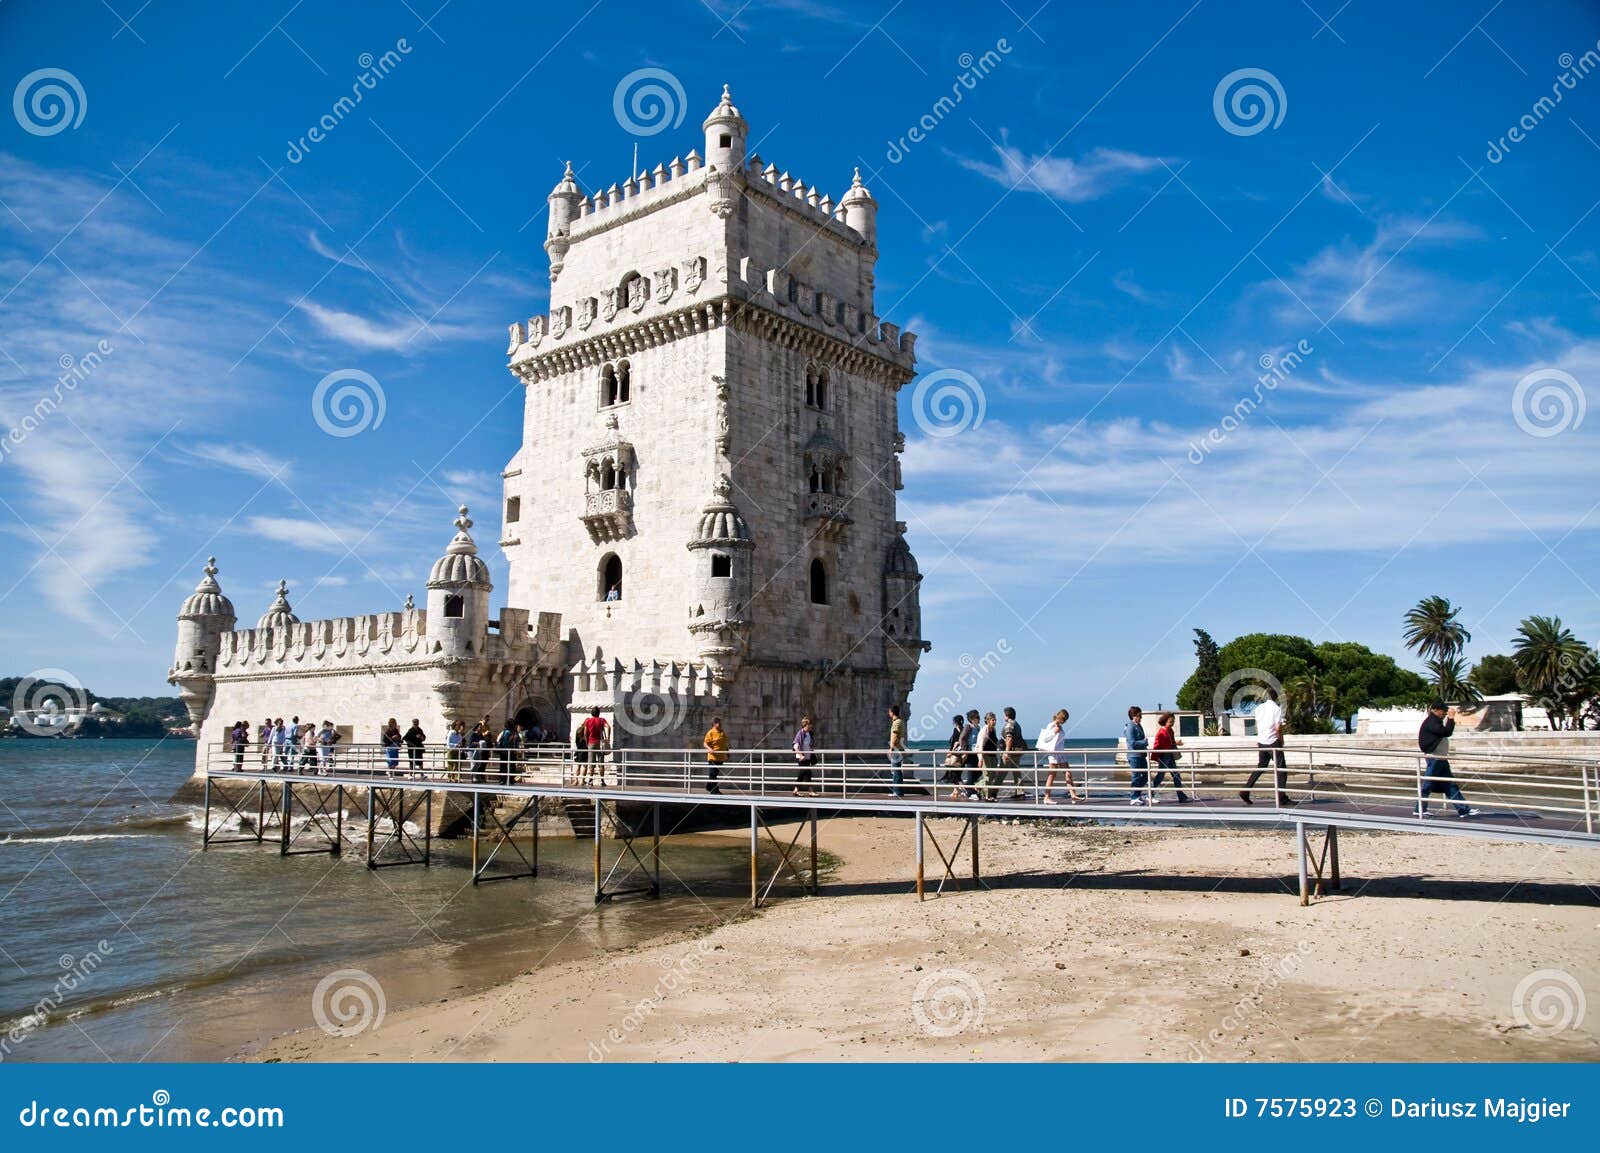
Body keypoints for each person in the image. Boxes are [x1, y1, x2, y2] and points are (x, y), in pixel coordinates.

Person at [1417, 700, 1478, 818]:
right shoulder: (1431, 721)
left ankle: (1463, 810)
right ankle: (1419, 809)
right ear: (1436, 710)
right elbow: (1446, 732)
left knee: (1449, 785)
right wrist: (1450, 718)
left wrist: (1449, 719)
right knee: (1427, 784)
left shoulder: (1435, 721)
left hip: (1440, 758)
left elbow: (1443, 732)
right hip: (1435, 758)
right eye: (1443, 712)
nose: (1444, 714)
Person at [1239, 689, 1292, 807]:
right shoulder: (1277, 709)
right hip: (1273, 741)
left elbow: (1258, 726)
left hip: (1261, 741)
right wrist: (1281, 741)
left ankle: (1245, 790)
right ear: (1276, 698)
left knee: (1261, 767)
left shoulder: (1259, 709)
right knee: (1282, 770)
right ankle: (1282, 797)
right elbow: (1278, 728)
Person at [1037, 708, 1080, 804]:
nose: (1065, 722)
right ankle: (1046, 797)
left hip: (1061, 752)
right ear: (1060, 717)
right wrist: (1054, 732)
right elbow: (1045, 739)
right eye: (1064, 719)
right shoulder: (1051, 725)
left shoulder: (1059, 726)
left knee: (1068, 773)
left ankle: (1073, 795)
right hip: (1054, 753)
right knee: (1052, 775)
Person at [1149, 712, 1190, 803]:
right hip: (1164, 755)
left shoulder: (1170, 730)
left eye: (1173, 721)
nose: (1172, 723)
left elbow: (1170, 742)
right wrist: (1156, 756)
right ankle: (1150, 793)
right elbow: (1160, 744)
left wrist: (1176, 743)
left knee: (1176, 775)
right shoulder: (1161, 732)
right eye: (1170, 721)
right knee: (1160, 776)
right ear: (1165, 721)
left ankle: (1181, 796)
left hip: (1170, 754)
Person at [1125, 707, 1150, 805]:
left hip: (1141, 755)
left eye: (1141, 716)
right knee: (1136, 776)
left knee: (1145, 776)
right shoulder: (1130, 726)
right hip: (1134, 756)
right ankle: (1134, 797)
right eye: (1139, 716)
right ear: (1134, 716)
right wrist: (1144, 742)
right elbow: (1132, 743)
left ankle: (1137, 794)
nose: (1141, 718)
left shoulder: (1139, 725)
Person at [999, 706, 1025, 799]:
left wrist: (1006, 752)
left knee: (1001, 773)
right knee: (1016, 772)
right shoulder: (1016, 724)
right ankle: (1020, 793)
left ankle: (991, 792)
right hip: (1017, 752)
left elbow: (1009, 739)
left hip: (1012, 752)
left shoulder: (1009, 725)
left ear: (1006, 715)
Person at [581, 708, 610, 786]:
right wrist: (608, 739)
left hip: (591, 743)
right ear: (599, 713)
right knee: (601, 763)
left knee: (591, 763)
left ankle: (590, 780)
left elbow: (585, 733)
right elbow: (608, 727)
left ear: (591, 713)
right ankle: (602, 781)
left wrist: (587, 742)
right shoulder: (602, 720)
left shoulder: (588, 721)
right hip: (600, 743)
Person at [792, 716, 818, 797]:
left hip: (808, 757)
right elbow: (795, 746)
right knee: (805, 773)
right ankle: (809, 791)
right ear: (806, 725)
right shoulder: (800, 733)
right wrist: (800, 755)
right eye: (810, 724)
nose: (811, 726)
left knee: (805, 773)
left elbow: (810, 745)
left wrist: (812, 754)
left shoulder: (810, 733)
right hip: (801, 757)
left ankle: (797, 790)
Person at [976, 711, 1000, 800]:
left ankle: (978, 786)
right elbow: (980, 745)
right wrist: (980, 759)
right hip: (985, 755)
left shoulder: (993, 729)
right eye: (993, 720)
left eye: (995, 720)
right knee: (988, 775)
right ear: (988, 720)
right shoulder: (984, 730)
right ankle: (988, 796)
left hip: (993, 754)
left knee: (993, 774)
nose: (995, 722)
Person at [702, 717, 729, 795]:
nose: (720, 724)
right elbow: (705, 743)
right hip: (713, 757)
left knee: (714, 774)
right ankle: (715, 791)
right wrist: (709, 749)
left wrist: (727, 752)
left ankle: (708, 786)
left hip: (721, 757)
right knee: (713, 774)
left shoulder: (722, 732)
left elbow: (724, 744)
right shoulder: (710, 732)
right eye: (718, 722)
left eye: (720, 722)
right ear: (714, 724)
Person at [887, 705, 907, 798]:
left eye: (889, 711)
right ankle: (899, 790)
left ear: (892, 712)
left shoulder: (896, 723)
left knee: (896, 771)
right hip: (900, 748)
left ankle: (897, 791)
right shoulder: (901, 722)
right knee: (897, 770)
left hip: (896, 749)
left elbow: (894, 736)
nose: (888, 713)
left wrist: (891, 749)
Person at [941, 716, 965, 792]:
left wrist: (950, 752)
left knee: (955, 775)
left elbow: (955, 743)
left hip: (956, 755)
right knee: (957, 774)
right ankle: (956, 791)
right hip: (963, 755)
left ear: (955, 722)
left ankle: (966, 790)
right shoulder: (964, 730)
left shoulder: (956, 730)